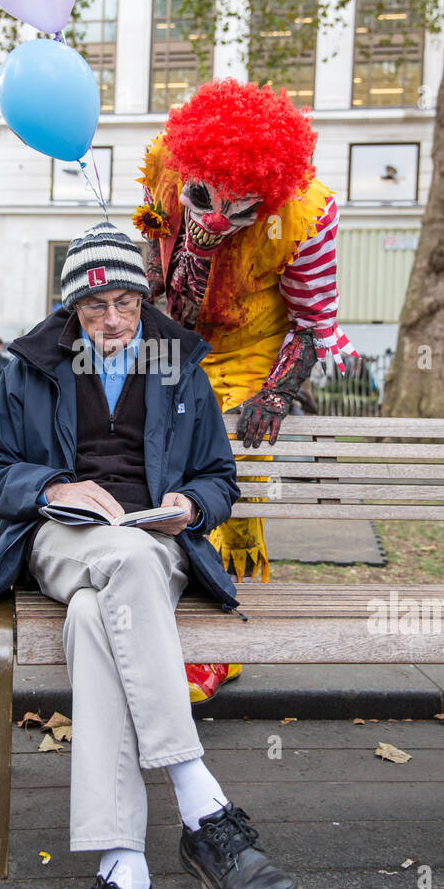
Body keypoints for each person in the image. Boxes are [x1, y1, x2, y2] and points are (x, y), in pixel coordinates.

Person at [0, 221, 302, 889]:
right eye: (95, 308)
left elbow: (221, 475)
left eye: (125, 302)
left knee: (95, 615)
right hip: (64, 539)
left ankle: (125, 881)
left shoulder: (177, 360)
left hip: (154, 548)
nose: (113, 322)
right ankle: (203, 807)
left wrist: (192, 503)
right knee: (111, 558)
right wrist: (52, 488)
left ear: (142, 298)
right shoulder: (32, 365)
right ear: (71, 311)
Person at [133, 78, 358, 702]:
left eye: (240, 207)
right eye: (205, 196)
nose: (216, 218)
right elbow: (154, 251)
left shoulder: (305, 215)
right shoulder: (167, 164)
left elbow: (314, 323)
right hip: (176, 336)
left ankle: (220, 642)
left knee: (231, 466)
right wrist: (171, 265)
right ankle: (159, 617)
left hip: (254, 345)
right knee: (154, 462)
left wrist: (277, 394)